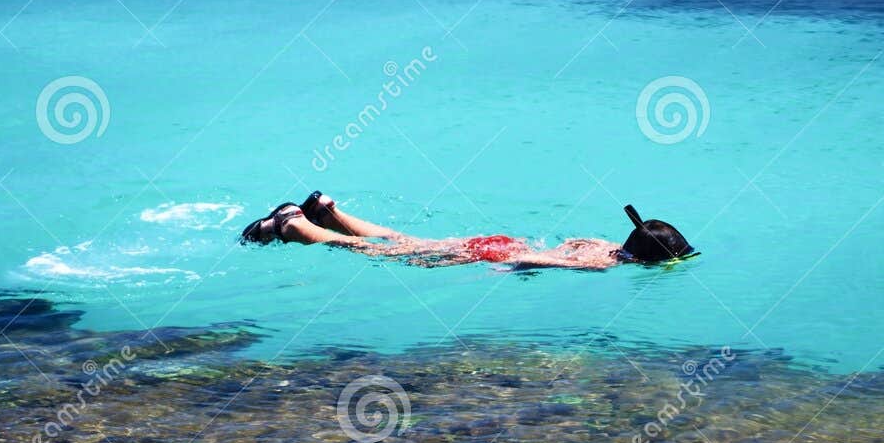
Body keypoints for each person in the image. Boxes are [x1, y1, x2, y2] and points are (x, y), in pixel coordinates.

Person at [239, 193, 697, 271]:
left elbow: (567, 245)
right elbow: (540, 259)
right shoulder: (602, 266)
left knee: (402, 241)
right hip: (495, 256)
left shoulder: (603, 244)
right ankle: (295, 225)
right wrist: (522, 269)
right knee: (380, 254)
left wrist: (527, 257)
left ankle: (328, 211)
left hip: (502, 241)